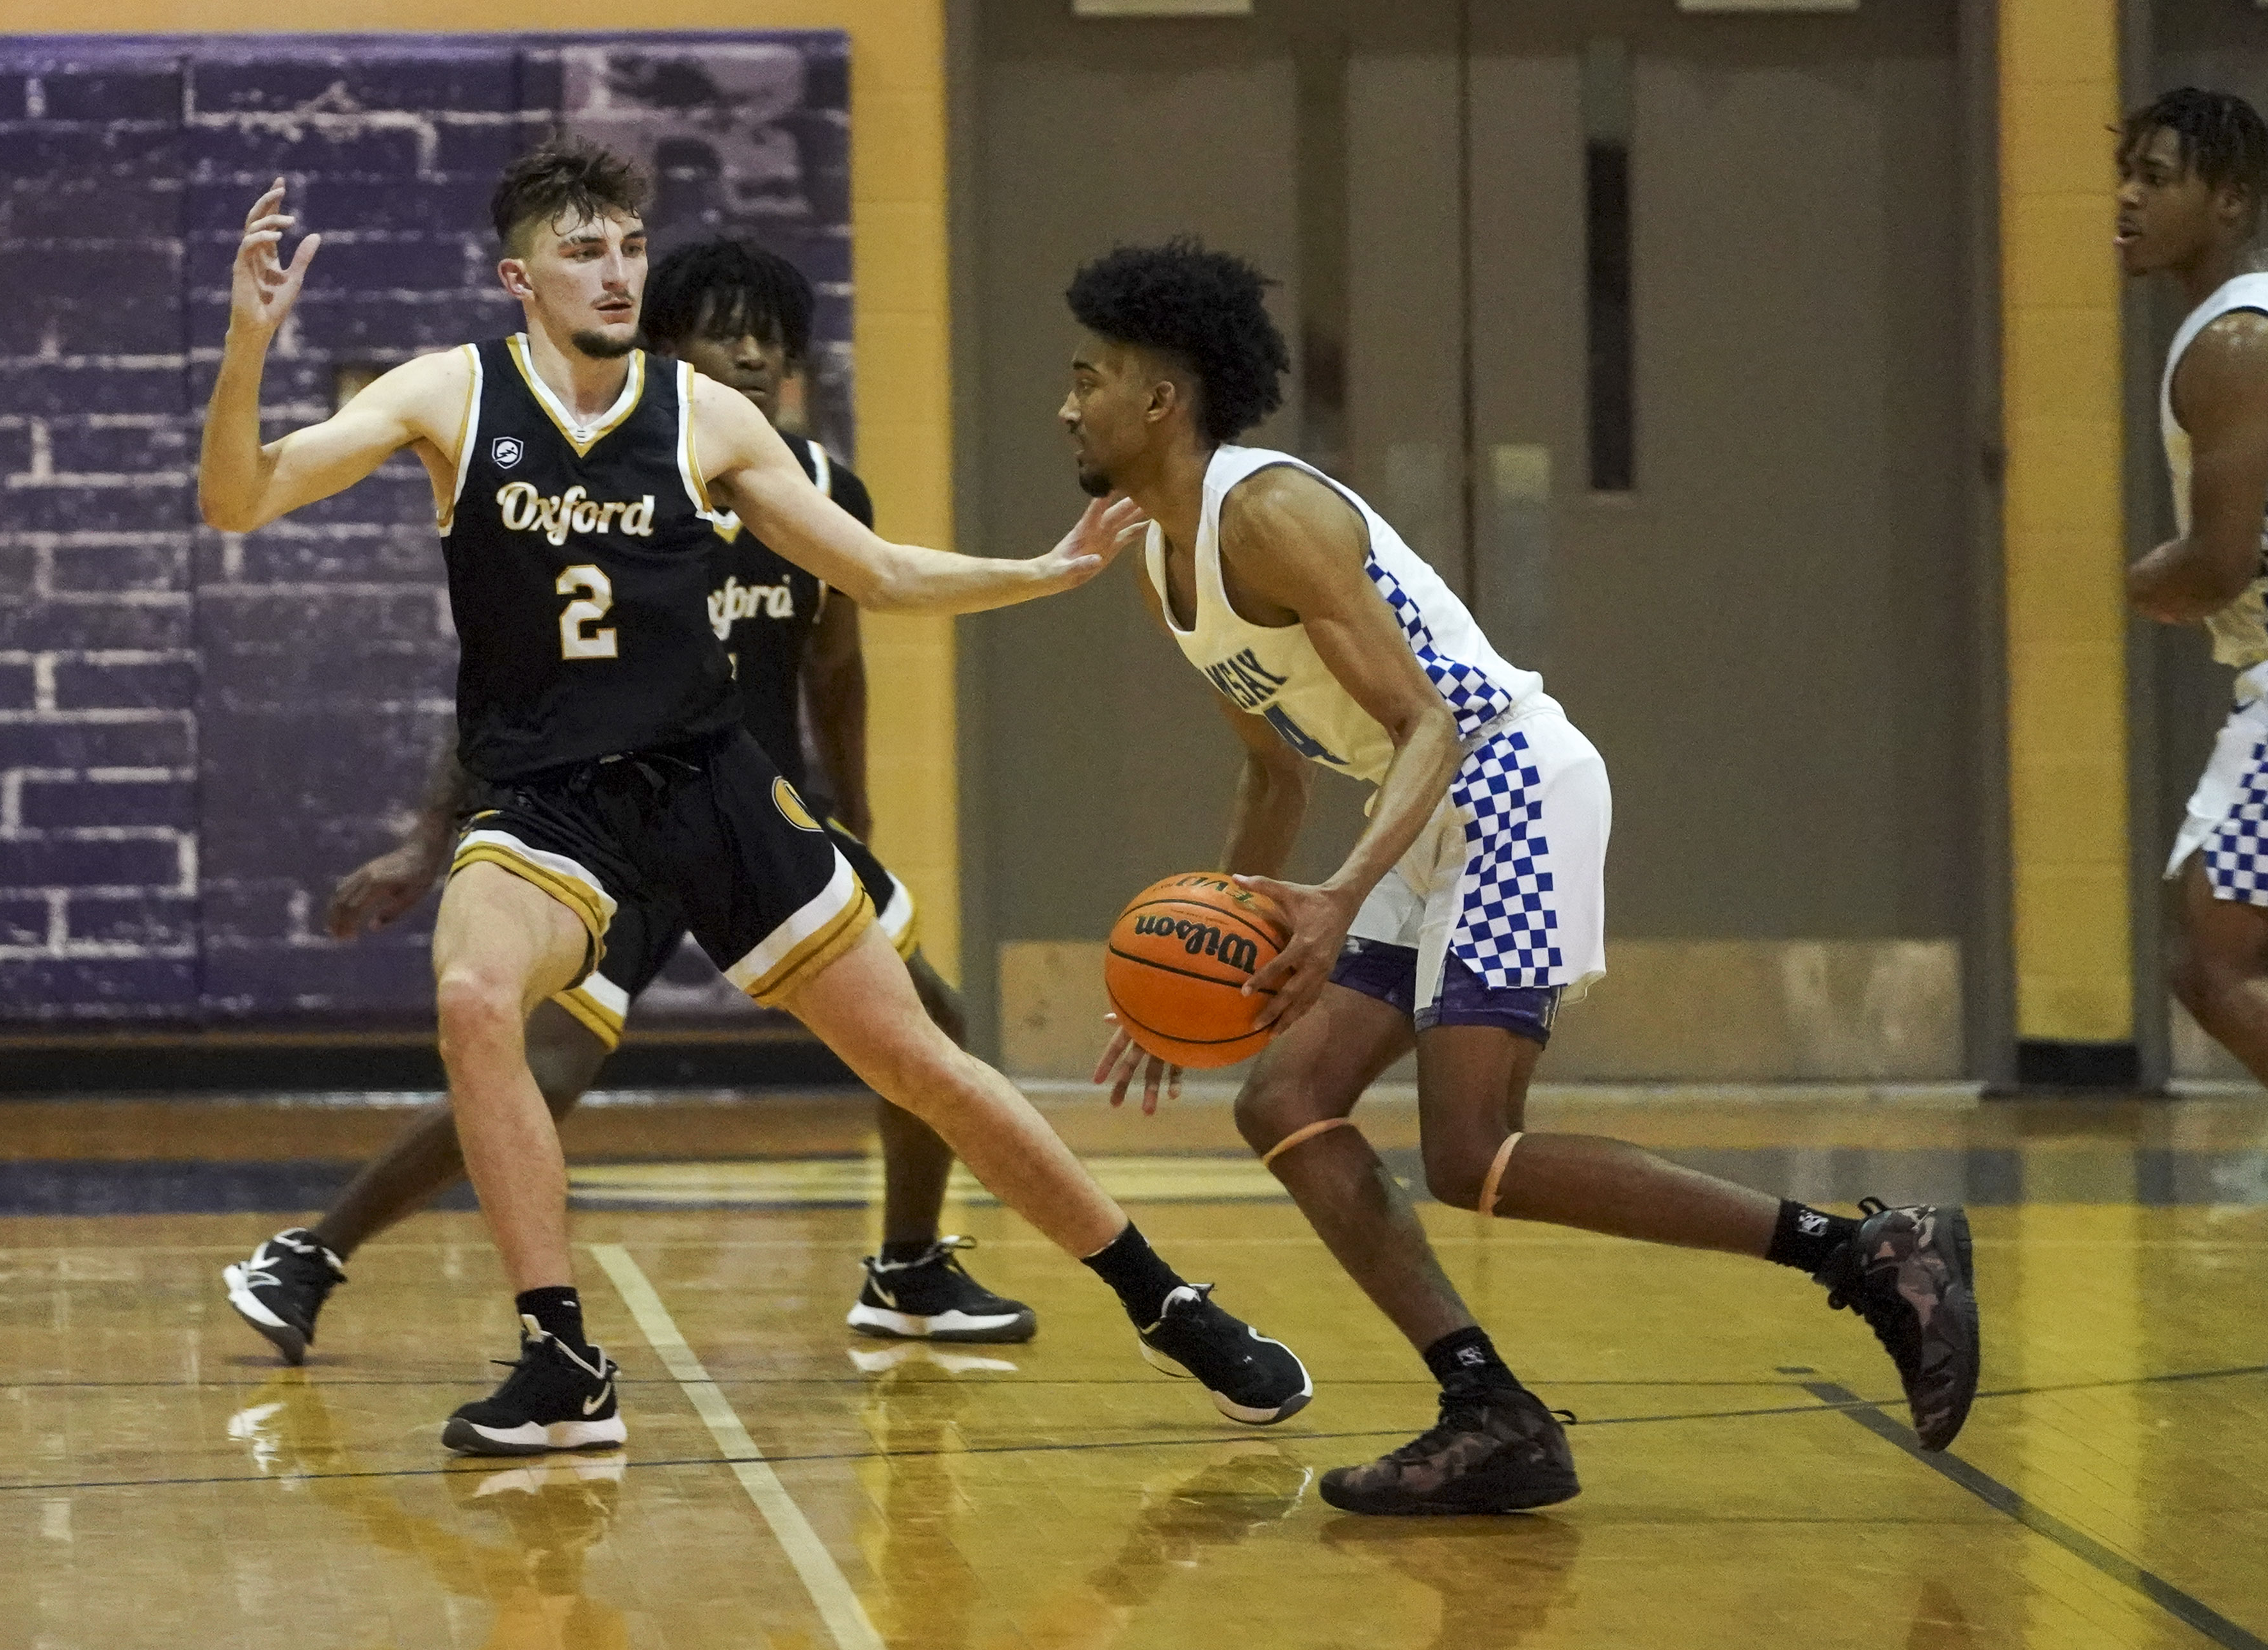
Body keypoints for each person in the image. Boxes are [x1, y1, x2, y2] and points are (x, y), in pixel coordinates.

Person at [197, 138, 1311, 1457]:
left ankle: (1166, 1302)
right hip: (545, 799)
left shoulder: (705, 417)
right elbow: (239, 498)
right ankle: (560, 1358)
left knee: (921, 1062)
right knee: (471, 993)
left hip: (714, 790)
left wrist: (1043, 568)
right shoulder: (451, 394)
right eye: (582, 252)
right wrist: (247, 344)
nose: (615, 273)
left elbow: (878, 576)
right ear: (519, 278)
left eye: (627, 248)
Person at [1069, 240, 1979, 1514]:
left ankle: (1863, 1248)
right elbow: (1275, 774)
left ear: (1159, 398)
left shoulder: (1267, 513)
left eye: (1089, 376)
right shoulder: (1163, 561)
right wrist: (1208, 949)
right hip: (1418, 818)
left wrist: (1332, 901)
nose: (1069, 403)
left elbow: (1432, 722)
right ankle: (1486, 1404)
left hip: (1503, 787)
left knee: (1472, 1148)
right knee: (1283, 1095)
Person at [220, 236, 1033, 1364]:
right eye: (724, 330)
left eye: (772, 337)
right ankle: (312, 1252)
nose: (752, 353)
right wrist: (428, 838)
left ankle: (906, 1267)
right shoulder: (615, 469)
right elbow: (519, 684)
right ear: (663, 343)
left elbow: (836, 668)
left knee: (928, 1020)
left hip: (750, 816)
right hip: (611, 822)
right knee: (537, 1073)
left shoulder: (818, 486)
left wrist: (855, 813)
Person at [2118, 90, 2268, 1080]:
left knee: (2213, 965)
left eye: (2155, 178)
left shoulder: (2230, 342)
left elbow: (2216, 562)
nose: (2125, 199)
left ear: (2229, 201)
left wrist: (2144, 583)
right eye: (2122, 177)